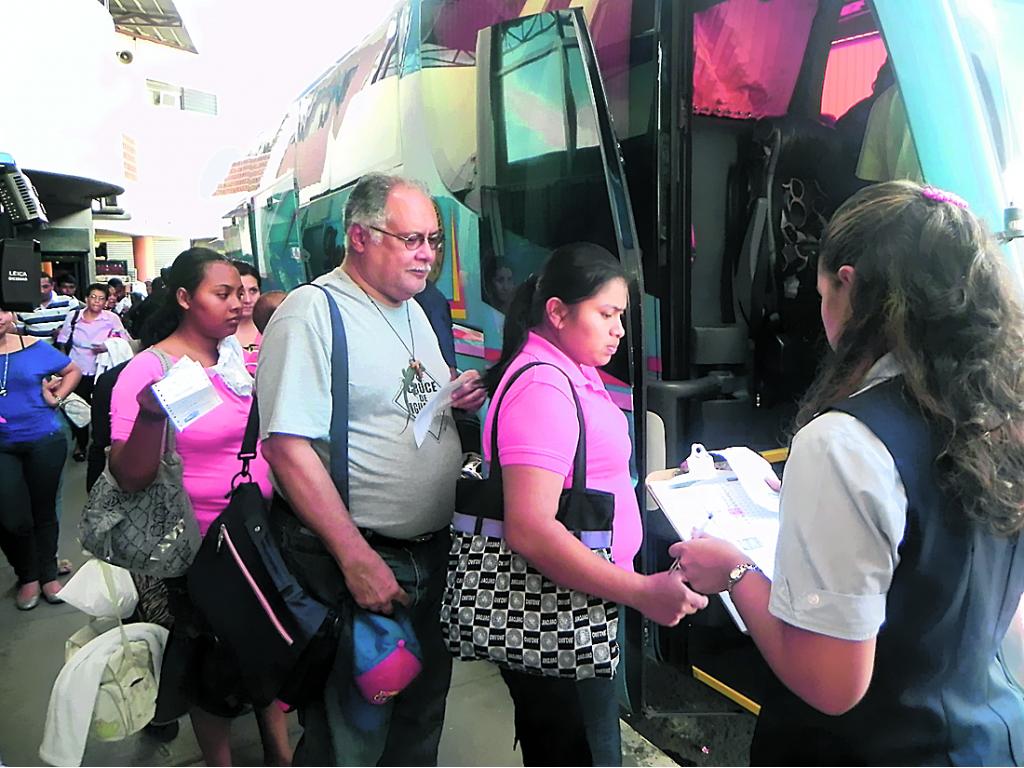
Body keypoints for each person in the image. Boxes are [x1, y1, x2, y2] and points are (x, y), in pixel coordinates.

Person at [671, 181, 1024, 765]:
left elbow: (832, 683)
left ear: (850, 285)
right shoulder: (1002, 407)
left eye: (820, 292)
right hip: (987, 739)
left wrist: (733, 570)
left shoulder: (843, 442)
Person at [257, 172, 486, 765]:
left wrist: (456, 395)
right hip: (361, 564)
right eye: (411, 239)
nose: (428, 256)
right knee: (351, 733)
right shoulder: (312, 313)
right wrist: (354, 557)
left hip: (433, 558)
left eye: (434, 240)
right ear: (359, 236)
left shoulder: (416, 309)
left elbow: (402, 402)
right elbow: (286, 447)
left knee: (420, 721)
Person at [481, 243, 707, 765]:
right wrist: (642, 591)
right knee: (584, 750)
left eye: (621, 316)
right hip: (556, 616)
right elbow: (531, 528)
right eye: (606, 314)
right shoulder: (543, 384)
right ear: (557, 312)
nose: (619, 330)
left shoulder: (568, 370)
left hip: (580, 604)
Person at [107, 248, 291, 766]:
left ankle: (279, 755)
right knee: (212, 664)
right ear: (185, 298)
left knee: (263, 649)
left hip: (256, 534)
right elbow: (130, 475)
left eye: (241, 293)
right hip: (198, 550)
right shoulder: (150, 368)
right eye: (223, 294)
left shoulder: (235, 359)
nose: (237, 305)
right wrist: (149, 416)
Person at [0, 306, 82, 610]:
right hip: (2, 446)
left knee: (44, 511)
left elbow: (73, 369)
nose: (0, 317)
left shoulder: (32, 346)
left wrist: (58, 396)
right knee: (10, 517)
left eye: (4, 310)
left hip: (43, 439)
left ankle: (46, 574)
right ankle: (27, 574)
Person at [55, 283, 128, 462]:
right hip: (76, 371)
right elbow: (63, 341)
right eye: (93, 297)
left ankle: (100, 443)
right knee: (77, 408)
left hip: (100, 372)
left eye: (101, 298)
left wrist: (108, 346)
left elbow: (125, 340)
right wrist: (64, 368)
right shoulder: (73, 317)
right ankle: (81, 443)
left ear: (106, 301)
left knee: (101, 409)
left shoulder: (111, 318)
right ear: (86, 299)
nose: (97, 301)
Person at [16, 274, 82, 341]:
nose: (42, 291)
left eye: (45, 287)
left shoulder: (70, 302)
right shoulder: (23, 307)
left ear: (52, 286)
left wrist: (64, 332)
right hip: (35, 349)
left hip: (63, 349)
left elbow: (81, 328)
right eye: (37, 287)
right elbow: (21, 336)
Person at [230, 261, 262, 375]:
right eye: (241, 292)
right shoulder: (218, 336)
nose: (248, 299)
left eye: (253, 291)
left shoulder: (271, 330)